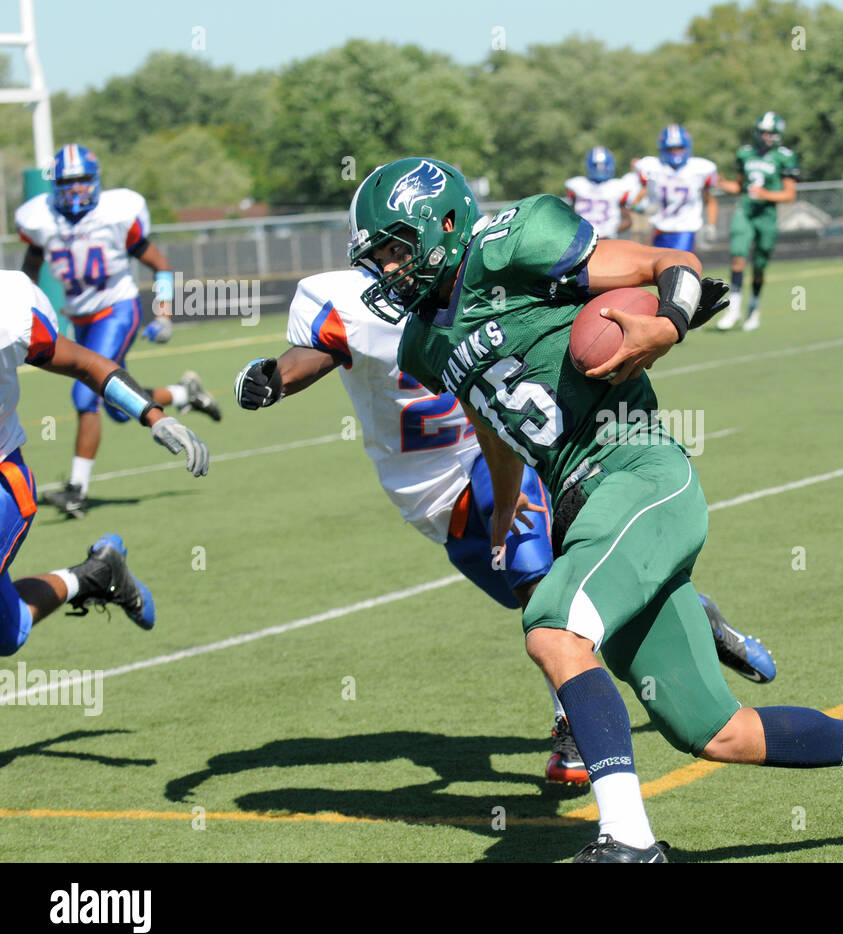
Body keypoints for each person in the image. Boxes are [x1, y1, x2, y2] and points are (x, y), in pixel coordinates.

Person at [347, 157, 843, 862]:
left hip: (637, 468)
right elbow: (493, 419)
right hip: (583, 504)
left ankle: (629, 840)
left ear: (444, 223)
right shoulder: (422, 341)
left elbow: (673, 260)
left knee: (552, 627)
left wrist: (667, 324)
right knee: (714, 730)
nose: (387, 269)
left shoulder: (512, 242)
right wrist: (506, 503)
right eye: (380, 256)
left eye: (394, 248)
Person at [233, 266, 775, 785]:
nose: (401, 264)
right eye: (387, 252)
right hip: (428, 490)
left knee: (543, 592)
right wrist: (273, 379)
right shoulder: (347, 299)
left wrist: (665, 309)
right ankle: (688, 611)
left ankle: (574, 730)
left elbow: (571, 302)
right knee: (549, 591)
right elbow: (315, 352)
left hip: (496, 449)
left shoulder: (480, 274)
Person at [0, 270, 210, 656]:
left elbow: (85, 364)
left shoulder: (10, 313)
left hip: (1, 482)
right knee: (8, 633)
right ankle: (96, 574)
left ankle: (78, 488)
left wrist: (152, 414)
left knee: (88, 405)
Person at [15, 144, 221, 519]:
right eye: (66, 182)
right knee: (119, 408)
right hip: (80, 318)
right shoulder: (41, 220)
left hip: (116, 310)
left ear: (95, 181)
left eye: (81, 181)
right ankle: (182, 392)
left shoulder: (116, 213)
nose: (75, 190)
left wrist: (163, 315)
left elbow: (160, 265)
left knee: (85, 394)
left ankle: (77, 490)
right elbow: (28, 268)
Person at [716, 112, 800, 332]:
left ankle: (753, 306)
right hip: (745, 210)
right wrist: (723, 184)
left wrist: (765, 194)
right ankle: (733, 308)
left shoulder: (785, 156)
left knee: (760, 267)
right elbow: (740, 187)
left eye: (770, 132)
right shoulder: (745, 154)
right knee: (737, 258)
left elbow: (790, 195)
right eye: (763, 131)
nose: (766, 136)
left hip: (766, 215)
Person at [632, 125, 719, 252]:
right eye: (671, 149)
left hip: (685, 230)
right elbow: (634, 202)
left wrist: (711, 225)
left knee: (677, 267)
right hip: (658, 228)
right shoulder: (653, 168)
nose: (675, 152)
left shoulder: (699, 169)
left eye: (679, 148)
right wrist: (642, 209)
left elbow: (710, 200)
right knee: (656, 270)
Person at [564, 147, 637, 240]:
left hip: (606, 240)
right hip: (581, 239)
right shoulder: (577, 185)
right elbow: (569, 215)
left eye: (603, 165)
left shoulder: (619, 186)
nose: (600, 169)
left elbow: (628, 221)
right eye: (596, 165)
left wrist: (611, 232)